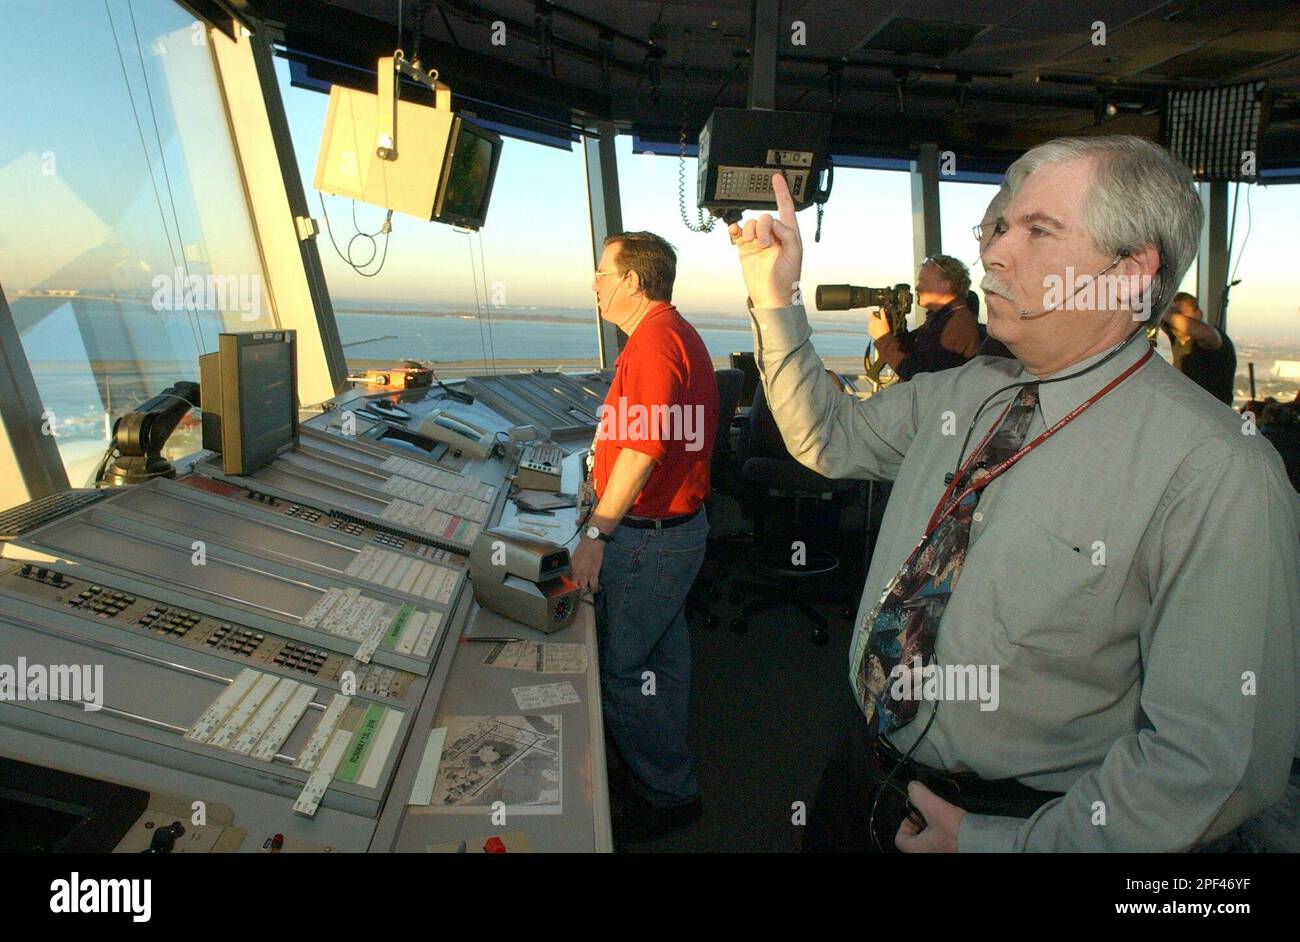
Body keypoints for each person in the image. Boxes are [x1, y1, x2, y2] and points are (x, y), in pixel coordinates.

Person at [729, 135, 1298, 852]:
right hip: (862, 768)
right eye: (997, 227)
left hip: (1017, 817)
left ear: (1129, 272)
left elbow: (1211, 764)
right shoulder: (968, 391)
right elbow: (827, 434)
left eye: (1037, 231)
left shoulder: (1216, 473)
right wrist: (772, 294)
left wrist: (995, 842)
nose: (994, 254)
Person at [571, 230, 718, 842]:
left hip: (649, 540)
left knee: (623, 672)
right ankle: (667, 761)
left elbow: (641, 450)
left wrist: (596, 535)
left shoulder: (655, 343)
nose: (596, 286)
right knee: (666, 655)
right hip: (677, 533)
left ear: (633, 280)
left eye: (603, 275)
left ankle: (668, 789)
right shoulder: (667, 334)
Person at [869, 255, 980, 380]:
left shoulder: (956, 325)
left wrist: (883, 338)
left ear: (945, 285)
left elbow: (920, 377)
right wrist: (892, 323)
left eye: (923, 281)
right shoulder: (942, 318)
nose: (917, 287)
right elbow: (913, 352)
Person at [1161, 291, 1238, 405]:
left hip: (1213, 414)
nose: (1175, 318)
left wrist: (1164, 313)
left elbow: (1207, 334)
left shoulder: (1213, 338)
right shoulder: (1176, 337)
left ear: (1198, 314)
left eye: (1179, 314)